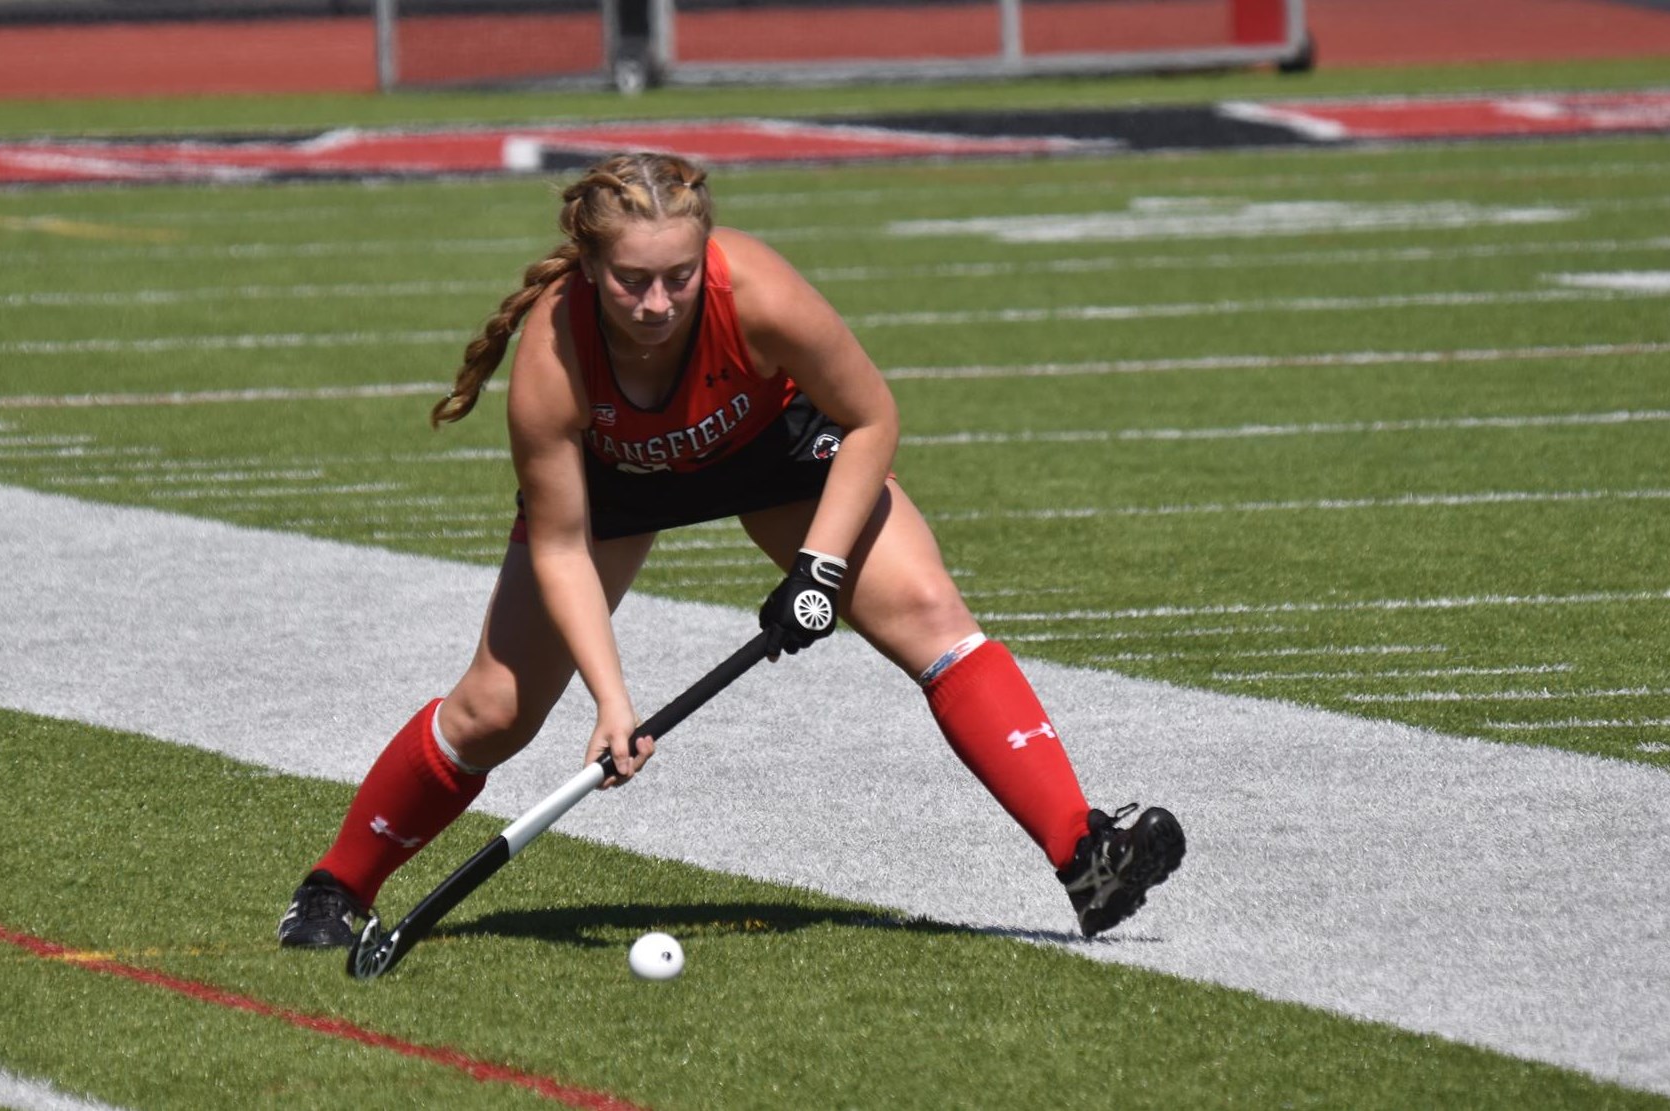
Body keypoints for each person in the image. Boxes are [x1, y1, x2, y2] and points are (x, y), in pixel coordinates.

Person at [278, 151, 1184, 949]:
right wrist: (612, 699)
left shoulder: (754, 291)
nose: (659, 302)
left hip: (770, 451)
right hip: (617, 483)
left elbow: (873, 418)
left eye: (678, 275)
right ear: (590, 264)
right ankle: (336, 887)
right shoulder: (555, 358)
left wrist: (821, 569)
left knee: (932, 619)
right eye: (632, 280)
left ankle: (1084, 855)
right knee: (493, 712)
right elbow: (559, 545)